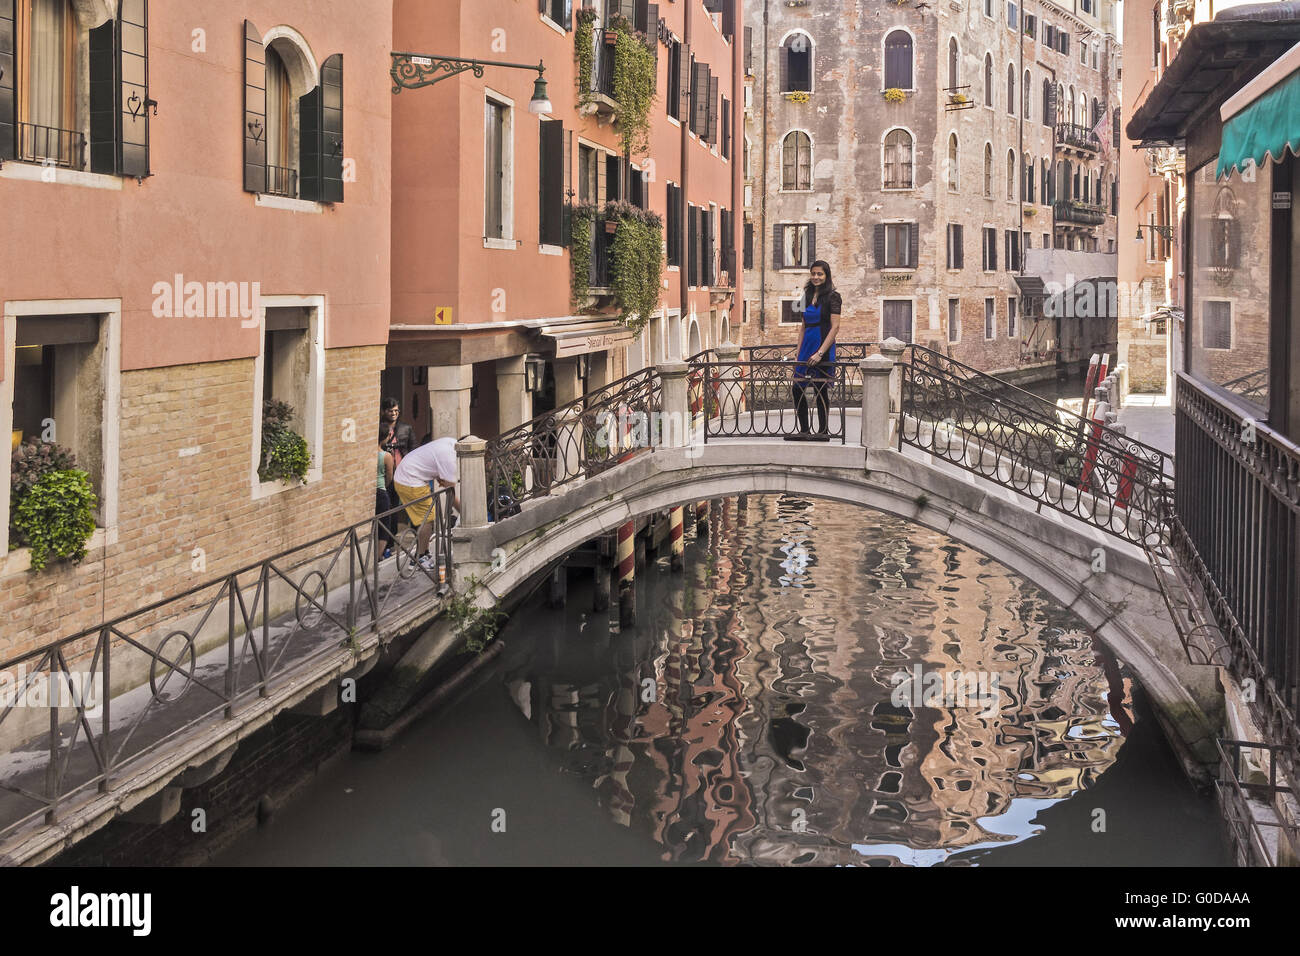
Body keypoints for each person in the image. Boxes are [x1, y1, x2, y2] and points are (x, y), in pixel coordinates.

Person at [785, 259, 842, 441]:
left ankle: (823, 431)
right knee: (797, 388)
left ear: (826, 276)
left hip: (822, 346)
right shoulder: (806, 296)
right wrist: (798, 352)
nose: (816, 277)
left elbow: (835, 327)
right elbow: (802, 327)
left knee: (820, 389)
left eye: (820, 274)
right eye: (813, 273)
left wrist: (819, 353)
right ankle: (804, 431)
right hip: (806, 345)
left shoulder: (833, 297)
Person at [393, 436, 461, 570]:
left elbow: (433, 461)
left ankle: (424, 552)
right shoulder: (450, 459)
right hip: (410, 481)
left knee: (427, 518)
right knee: (428, 519)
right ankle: (419, 558)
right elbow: (450, 493)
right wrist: (465, 513)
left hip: (406, 475)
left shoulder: (450, 441)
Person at [376, 432, 397, 558]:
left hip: (370, 491)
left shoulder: (368, 454)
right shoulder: (386, 456)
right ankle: (378, 556)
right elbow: (390, 476)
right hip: (381, 490)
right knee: (385, 524)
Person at [379, 397, 415, 464]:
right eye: (390, 411)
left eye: (396, 410)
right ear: (383, 411)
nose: (394, 413)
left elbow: (413, 448)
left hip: (402, 465)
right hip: (384, 466)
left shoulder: (406, 428)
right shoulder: (379, 428)